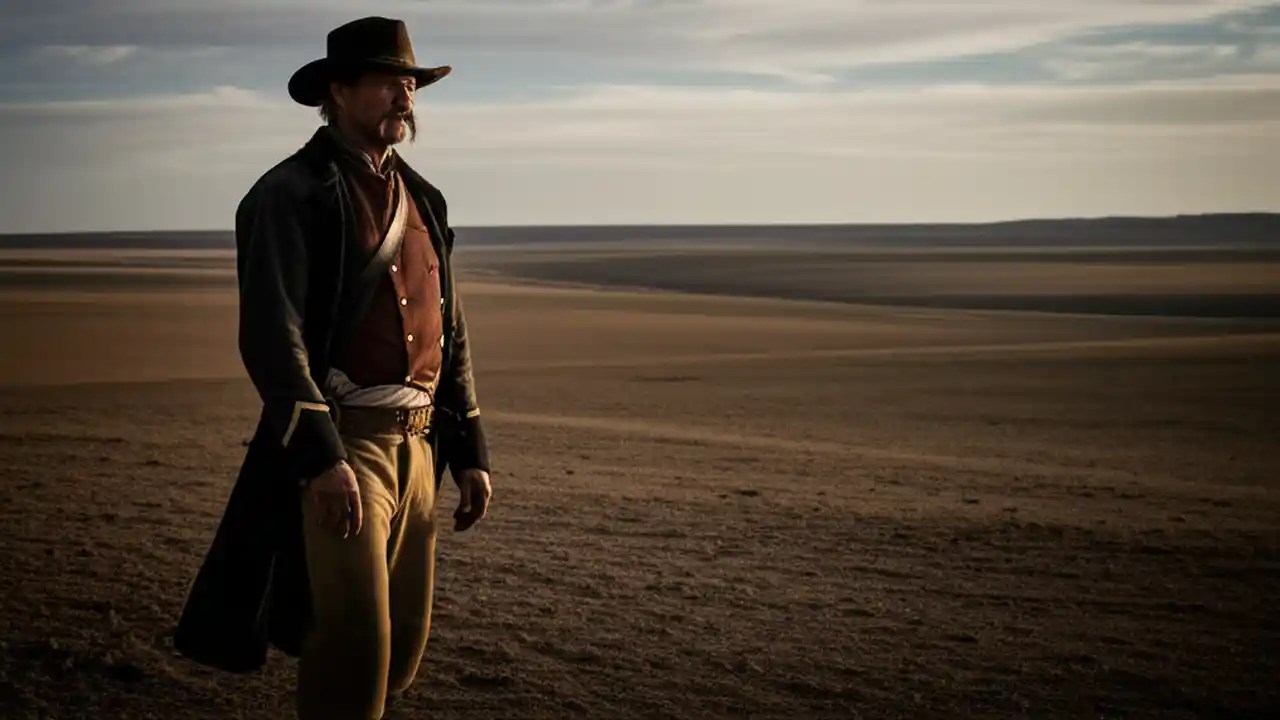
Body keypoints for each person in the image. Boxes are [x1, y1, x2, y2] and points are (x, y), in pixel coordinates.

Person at [173, 16, 493, 720]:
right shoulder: (289, 194)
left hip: (420, 453)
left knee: (400, 655)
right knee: (352, 649)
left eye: (411, 83)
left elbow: (452, 329)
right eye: (388, 82)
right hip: (347, 451)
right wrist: (321, 458)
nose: (405, 96)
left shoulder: (427, 199)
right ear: (340, 92)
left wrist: (468, 449)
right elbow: (270, 335)